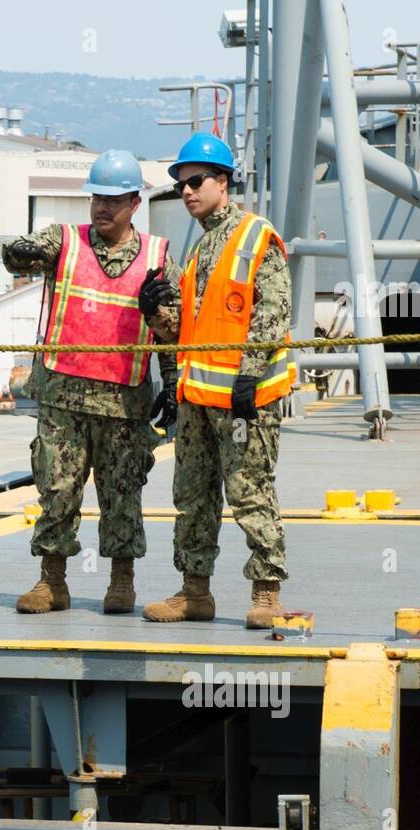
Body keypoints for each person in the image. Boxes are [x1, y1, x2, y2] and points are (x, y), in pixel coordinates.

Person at [2, 148, 179, 615]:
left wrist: (173, 383)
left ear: (134, 204)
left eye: (114, 200)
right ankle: (52, 581)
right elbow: (20, 256)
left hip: (124, 403)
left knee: (122, 494)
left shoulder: (159, 258)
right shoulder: (64, 241)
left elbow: (174, 329)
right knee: (57, 490)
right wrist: (19, 252)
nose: (102, 208)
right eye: (97, 198)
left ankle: (122, 582)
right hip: (62, 396)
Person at [144, 132, 295, 629]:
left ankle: (267, 593)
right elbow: (184, 333)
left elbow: (272, 311)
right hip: (197, 399)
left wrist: (249, 378)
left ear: (223, 181)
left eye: (195, 181)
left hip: (241, 399)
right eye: (181, 184)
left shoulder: (255, 236)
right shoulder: (200, 249)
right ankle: (195, 593)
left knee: (250, 492)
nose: (186, 191)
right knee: (192, 497)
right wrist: (155, 312)